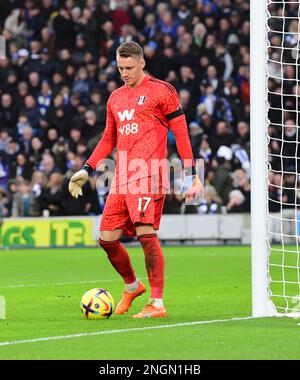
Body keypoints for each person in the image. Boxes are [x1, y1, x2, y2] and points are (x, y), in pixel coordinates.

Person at [68, 41, 202, 318]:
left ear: (142, 62)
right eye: (120, 68)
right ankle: (132, 286)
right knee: (106, 238)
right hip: (121, 176)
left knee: (145, 234)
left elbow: (181, 132)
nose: (125, 73)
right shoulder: (115, 98)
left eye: (129, 67)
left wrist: (192, 175)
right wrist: (87, 169)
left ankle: (157, 303)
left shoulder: (161, 91)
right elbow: (108, 139)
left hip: (149, 173)